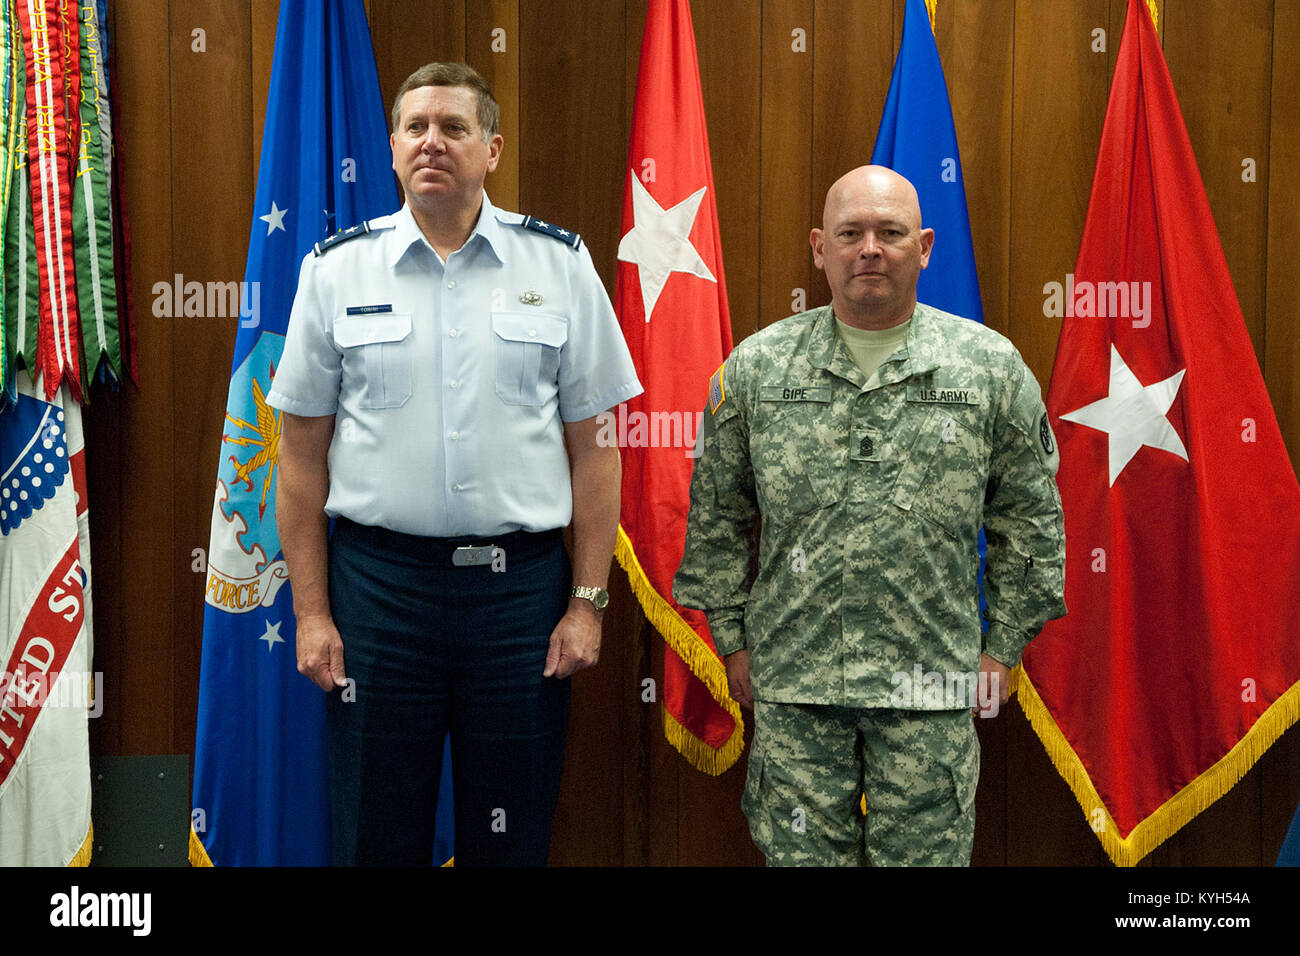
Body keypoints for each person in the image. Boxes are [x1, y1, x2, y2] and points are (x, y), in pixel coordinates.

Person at [267, 62, 642, 866]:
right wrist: (310, 613)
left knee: (511, 833)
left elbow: (597, 451)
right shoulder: (335, 271)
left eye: (455, 127)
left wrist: (587, 603)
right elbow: (298, 461)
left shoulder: (559, 265)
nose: (432, 142)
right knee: (376, 831)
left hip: (519, 602)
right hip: (376, 593)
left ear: (492, 147)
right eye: (416, 128)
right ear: (395, 148)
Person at [673, 165, 1066, 866]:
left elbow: (1030, 525)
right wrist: (732, 643)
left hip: (932, 686)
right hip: (792, 686)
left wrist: (1003, 649)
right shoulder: (756, 371)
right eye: (851, 233)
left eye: (891, 233)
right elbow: (716, 521)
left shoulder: (989, 370)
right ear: (820, 248)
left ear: (926, 246)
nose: (871, 249)